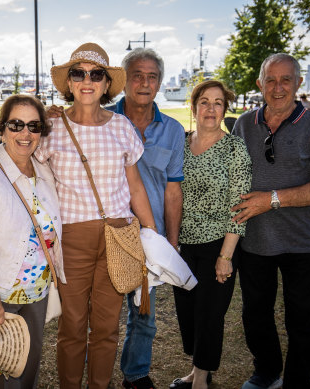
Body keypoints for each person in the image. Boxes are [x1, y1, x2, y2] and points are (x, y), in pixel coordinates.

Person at [34, 42, 156, 389]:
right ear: (69, 83)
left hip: (117, 235)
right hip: (71, 238)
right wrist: (42, 116)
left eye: (96, 74)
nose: (87, 80)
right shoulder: (51, 128)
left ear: (105, 85)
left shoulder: (121, 127)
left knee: (107, 326)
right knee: (72, 326)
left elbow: (134, 186)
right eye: (79, 73)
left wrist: (150, 233)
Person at [231, 53, 310, 389]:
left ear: (298, 83)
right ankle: (266, 372)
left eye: (286, 80)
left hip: (302, 244)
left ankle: (298, 382)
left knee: (303, 320)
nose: (278, 87)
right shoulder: (243, 124)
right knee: (255, 315)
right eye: (271, 79)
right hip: (254, 243)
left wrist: (272, 199)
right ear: (259, 83)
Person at [0, 95, 66, 389]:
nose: (25, 134)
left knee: (27, 371)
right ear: (2, 128)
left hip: (37, 292)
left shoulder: (43, 172)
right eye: (16, 124)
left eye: (34, 126)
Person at [110, 48, 184, 389]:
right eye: (137, 75)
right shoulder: (101, 120)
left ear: (159, 83)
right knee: (104, 317)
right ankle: (97, 377)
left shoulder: (172, 130)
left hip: (149, 237)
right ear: (125, 80)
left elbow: (172, 189)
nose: (144, 82)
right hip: (107, 232)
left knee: (144, 316)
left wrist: (171, 240)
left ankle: (135, 375)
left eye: (152, 76)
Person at [169, 80, 252, 389]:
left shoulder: (234, 148)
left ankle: (202, 380)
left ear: (224, 110)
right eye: (204, 101)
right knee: (188, 312)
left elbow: (239, 205)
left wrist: (226, 257)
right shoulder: (181, 144)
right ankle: (195, 369)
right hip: (183, 245)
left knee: (210, 314)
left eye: (218, 103)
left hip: (220, 243)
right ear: (194, 108)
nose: (211, 108)